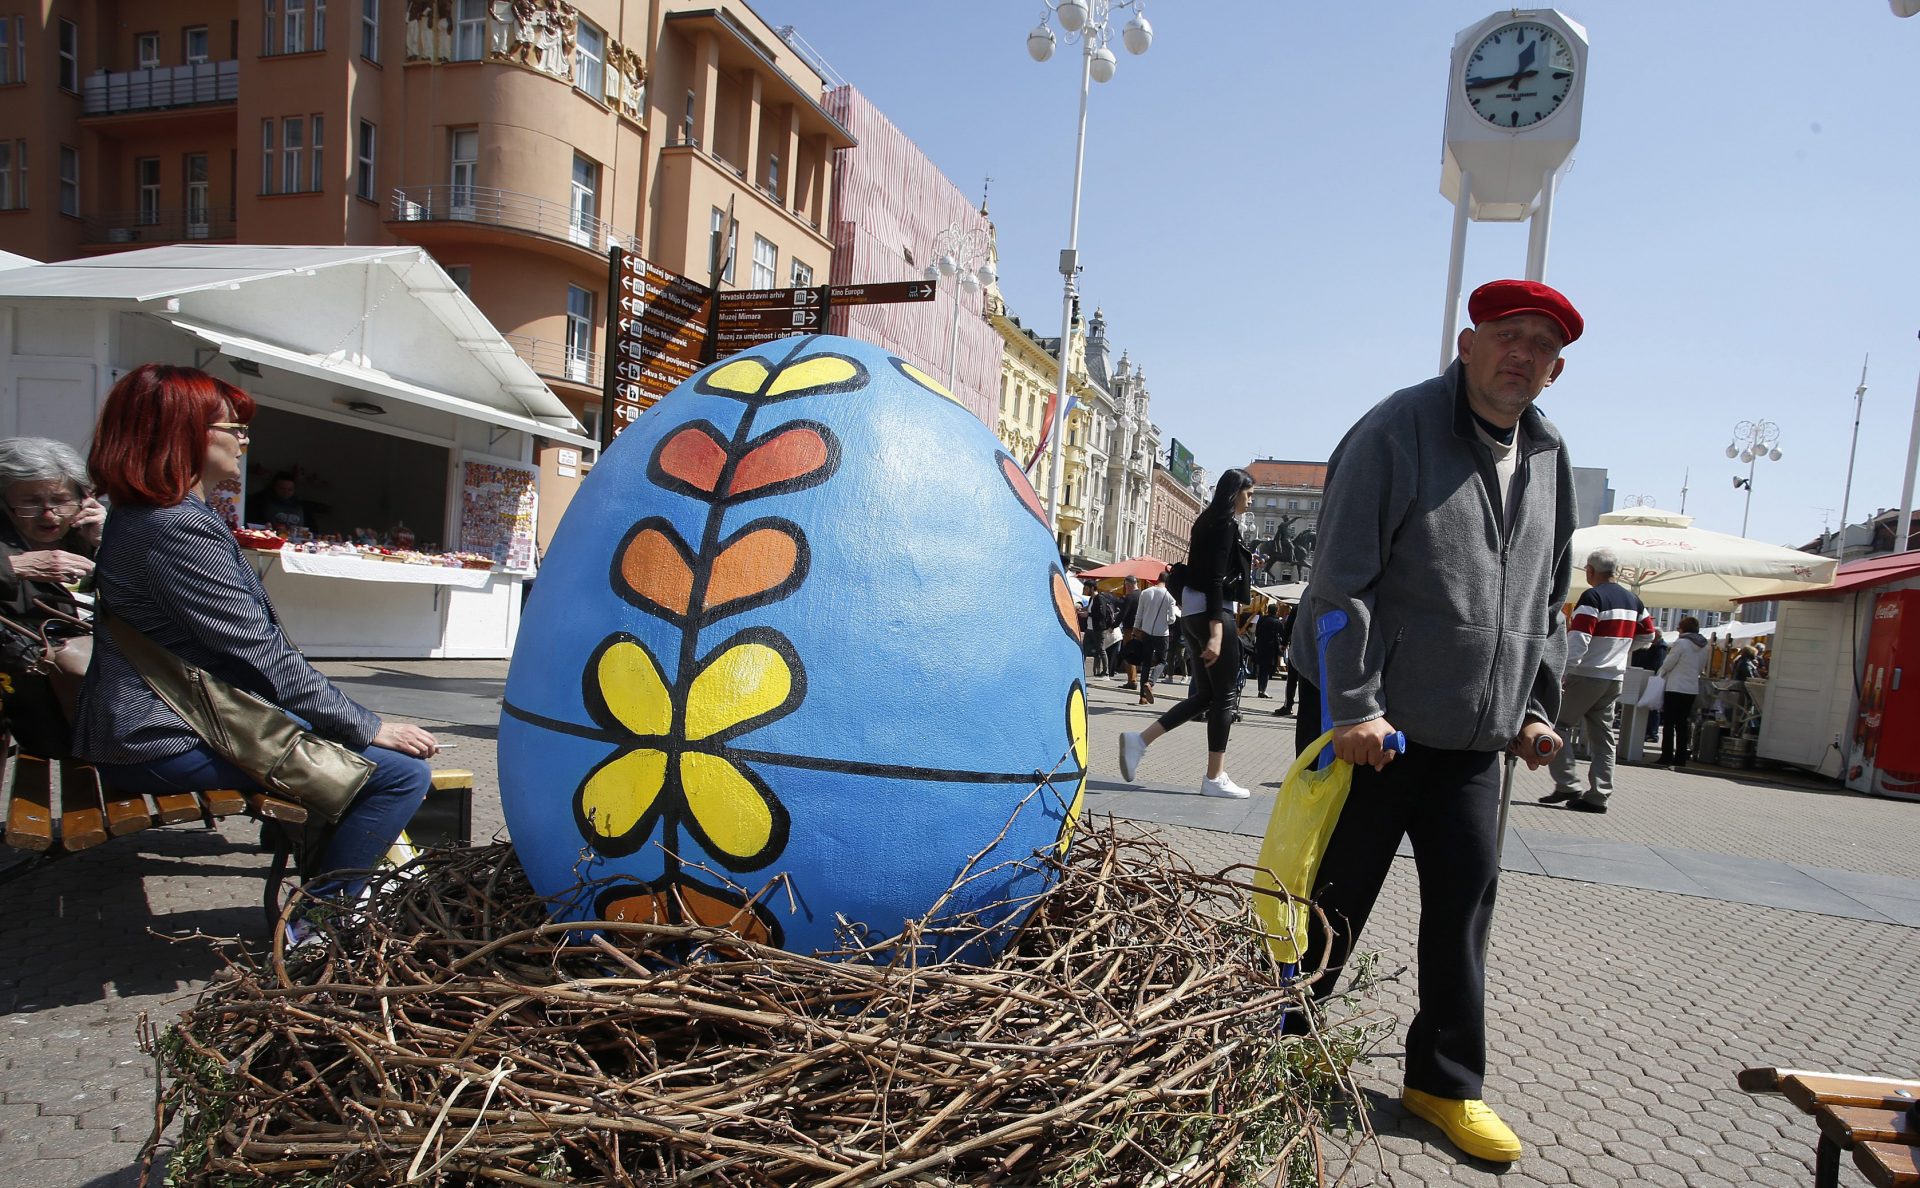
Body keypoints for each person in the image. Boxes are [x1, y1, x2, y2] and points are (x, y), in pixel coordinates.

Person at [1285, 279, 1581, 1164]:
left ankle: (1443, 1083)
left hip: (1474, 737)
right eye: (1507, 336)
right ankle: (1265, 1043)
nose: (1521, 355)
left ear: (1556, 371)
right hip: (1373, 729)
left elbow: (1546, 597)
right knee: (1328, 898)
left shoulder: (1552, 457)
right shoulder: (1396, 430)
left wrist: (1532, 708)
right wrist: (1352, 712)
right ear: (1468, 341)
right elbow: (1339, 585)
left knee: (1464, 907)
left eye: (1540, 346)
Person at [73, 364, 438, 905]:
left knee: (340, 749)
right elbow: (260, 653)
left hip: (156, 723)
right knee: (399, 776)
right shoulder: (174, 525)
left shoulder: (146, 515)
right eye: (233, 428)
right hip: (156, 737)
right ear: (181, 433)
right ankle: (325, 921)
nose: (245, 441)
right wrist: (365, 725)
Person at [1116, 468, 1256, 799]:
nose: (1250, 501)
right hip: (1213, 613)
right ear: (1235, 492)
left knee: (1206, 694)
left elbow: (1207, 574)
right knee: (1224, 696)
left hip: (1192, 612)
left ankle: (1140, 741)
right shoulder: (1225, 525)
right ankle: (1214, 777)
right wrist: (1218, 632)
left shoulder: (1204, 521)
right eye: (1249, 494)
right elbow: (1216, 581)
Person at [0, 436, 106, 733]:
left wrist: (107, 541)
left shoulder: (90, 530)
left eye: (60, 500)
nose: (49, 514)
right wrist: (16, 567)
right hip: (31, 685)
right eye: (31, 503)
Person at [1538, 548, 1657, 813]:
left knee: (1557, 726)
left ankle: (1568, 784)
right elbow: (1648, 636)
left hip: (1587, 674)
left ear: (1590, 571)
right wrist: (1621, 651)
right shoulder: (1633, 600)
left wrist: (1564, 670)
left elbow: (1579, 638)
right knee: (1604, 738)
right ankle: (1599, 795)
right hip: (1614, 677)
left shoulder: (1592, 597)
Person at [1657, 617, 1710, 768]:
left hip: (1675, 686)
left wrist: (1662, 673)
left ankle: (1666, 756)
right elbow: (1700, 668)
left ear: (1683, 629)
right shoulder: (1704, 646)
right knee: (1682, 723)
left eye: (1679, 628)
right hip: (1691, 688)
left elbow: (1668, 663)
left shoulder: (1681, 643)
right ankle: (1681, 757)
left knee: (1669, 723)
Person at [1131, 571, 1176, 705]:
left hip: (1146, 632)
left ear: (1158, 579)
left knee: (1146, 662)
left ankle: (1142, 697)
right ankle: (1150, 683)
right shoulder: (1170, 596)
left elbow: (1139, 613)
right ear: (1168, 582)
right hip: (1162, 633)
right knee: (1162, 661)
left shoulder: (1145, 592)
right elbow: (1172, 619)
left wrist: (1135, 628)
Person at [246, 471, 321, 535]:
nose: (286, 492)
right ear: (274, 487)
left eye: (290, 489)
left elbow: (313, 531)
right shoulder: (259, 503)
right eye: (282, 489)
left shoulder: (303, 507)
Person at [1632, 628, 1669, 744]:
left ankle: (1653, 733)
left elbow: (1657, 664)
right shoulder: (1658, 646)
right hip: (1651, 678)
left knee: (1653, 708)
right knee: (1652, 707)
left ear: (1656, 635)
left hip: (1653, 679)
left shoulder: (1660, 647)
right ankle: (1651, 732)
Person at [1254, 600, 1284, 698]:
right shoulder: (1277, 622)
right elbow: (1283, 634)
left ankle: (1260, 689)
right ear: (1276, 611)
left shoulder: (1262, 619)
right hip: (1271, 648)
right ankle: (1263, 690)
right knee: (1266, 669)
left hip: (1260, 646)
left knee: (1262, 669)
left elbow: (1256, 633)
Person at [1116, 576, 1142, 689]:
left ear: (1128, 584)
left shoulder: (1130, 597)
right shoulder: (1142, 594)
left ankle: (1132, 680)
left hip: (1129, 628)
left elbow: (1123, 614)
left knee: (1128, 652)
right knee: (1137, 652)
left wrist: (1113, 626)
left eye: (1125, 585)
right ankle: (1135, 678)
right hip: (1141, 628)